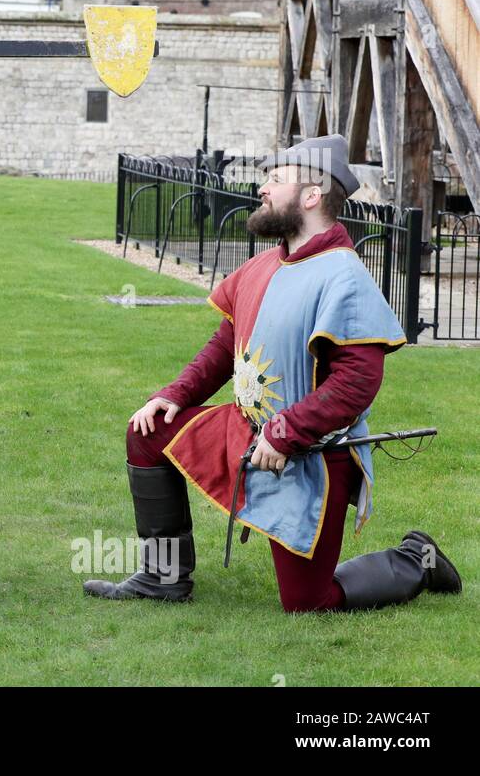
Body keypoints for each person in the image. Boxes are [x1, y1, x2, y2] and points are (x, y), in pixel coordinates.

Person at [83, 135, 462, 612]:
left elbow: (356, 383)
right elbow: (227, 344)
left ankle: (415, 558)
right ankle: (163, 578)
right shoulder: (265, 262)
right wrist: (176, 394)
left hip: (313, 458)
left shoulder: (344, 277)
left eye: (276, 180)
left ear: (312, 195)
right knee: (149, 429)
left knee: (309, 602)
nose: (262, 188)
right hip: (244, 432)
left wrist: (285, 435)